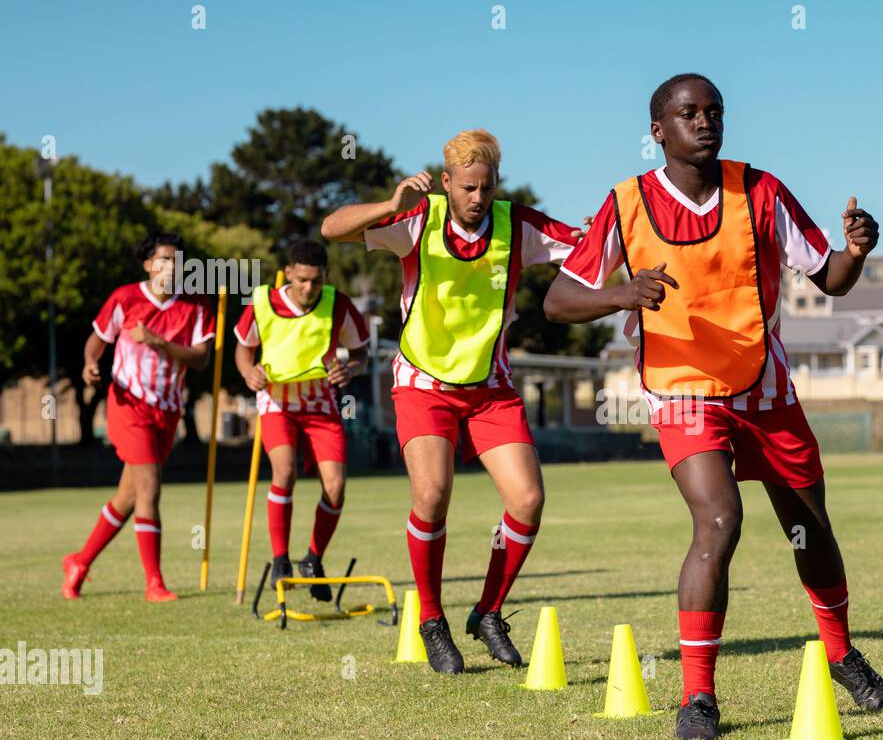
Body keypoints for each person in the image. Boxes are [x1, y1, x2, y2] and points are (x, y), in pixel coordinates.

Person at [544, 73, 883, 740]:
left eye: (715, 111)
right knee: (719, 518)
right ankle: (698, 696)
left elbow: (831, 280)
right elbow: (558, 302)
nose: (705, 122)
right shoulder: (626, 203)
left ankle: (843, 656)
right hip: (680, 388)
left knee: (810, 523)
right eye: (688, 113)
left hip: (762, 384)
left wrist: (856, 250)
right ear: (659, 130)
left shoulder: (761, 190)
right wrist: (622, 295)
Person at [322, 129, 582, 672]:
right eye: (467, 187)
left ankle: (487, 613)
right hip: (424, 387)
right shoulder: (418, 220)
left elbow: (588, 245)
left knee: (528, 500)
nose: (478, 198)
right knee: (433, 494)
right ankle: (432, 620)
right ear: (446, 183)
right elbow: (331, 229)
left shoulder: (519, 226)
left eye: (487, 187)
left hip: (491, 391)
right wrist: (391, 204)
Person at [62, 233, 214, 602]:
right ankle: (154, 583)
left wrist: (158, 342)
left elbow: (201, 359)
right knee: (150, 489)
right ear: (148, 264)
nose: (171, 267)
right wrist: (89, 364)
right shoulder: (124, 297)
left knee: (128, 496)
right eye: (163, 259)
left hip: (167, 409)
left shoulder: (196, 305)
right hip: (128, 404)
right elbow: (97, 340)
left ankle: (79, 562)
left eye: (177, 261)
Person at [234, 239, 370, 597]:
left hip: (321, 405)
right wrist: (249, 373)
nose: (310, 288)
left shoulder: (337, 303)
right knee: (284, 472)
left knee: (336, 486)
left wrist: (350, 370)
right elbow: (243, 350)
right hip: (276, 403)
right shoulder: (262, 301)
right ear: (289, 272)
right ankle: (281, 560)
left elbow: (362, 353)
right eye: (303, 280)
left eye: (317, 280)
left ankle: (312, 559)